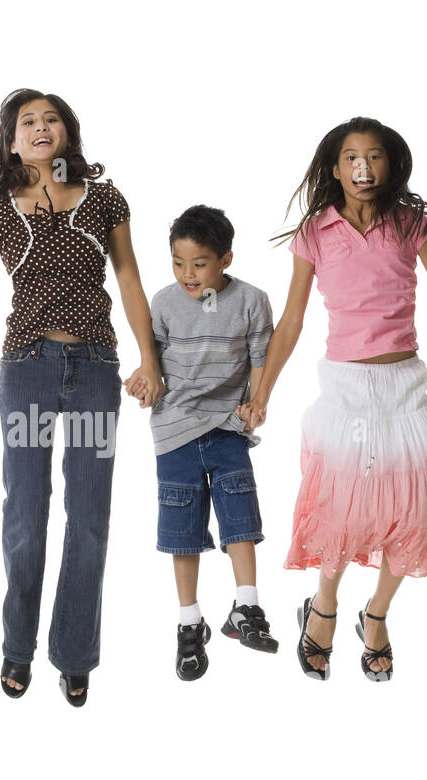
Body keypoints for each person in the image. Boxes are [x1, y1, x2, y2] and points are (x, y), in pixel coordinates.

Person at [0, 88, 162, 706]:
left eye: (51, 120)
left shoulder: (104, 200)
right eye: (28, 122)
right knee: (25, 512)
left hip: (96, 368)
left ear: (68, 133)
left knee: (90, 514)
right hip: (27, 370)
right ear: (12, 140)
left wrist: (149, 358)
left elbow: (129, 278)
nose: (41, 128)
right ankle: (16, 646)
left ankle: (74, 653)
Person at [243, 116, 427, 682]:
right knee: (340, 509)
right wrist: (261, 395)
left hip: (405, 389)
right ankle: (324, 607)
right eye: (352, 157)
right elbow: (290, 323)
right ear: (335, 168)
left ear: (390, 164)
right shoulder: (315, 233)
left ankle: (376, 614)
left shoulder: (411, 225)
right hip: (344, 391)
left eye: (375, 155)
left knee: (410, 513)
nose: (364, 166)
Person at [147, 205, 275, 681]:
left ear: (225, 259)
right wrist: (146, 382)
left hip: (227, 425)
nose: (187, 274)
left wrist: (257, 401)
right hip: (174, 429)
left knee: (240, 516)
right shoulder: (161, 303)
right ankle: (189, 622)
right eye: (178, 262)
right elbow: (151, 360)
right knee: (182, 529)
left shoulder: (252, 300)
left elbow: (261, 355)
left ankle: (247, 606)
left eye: (199, 263)